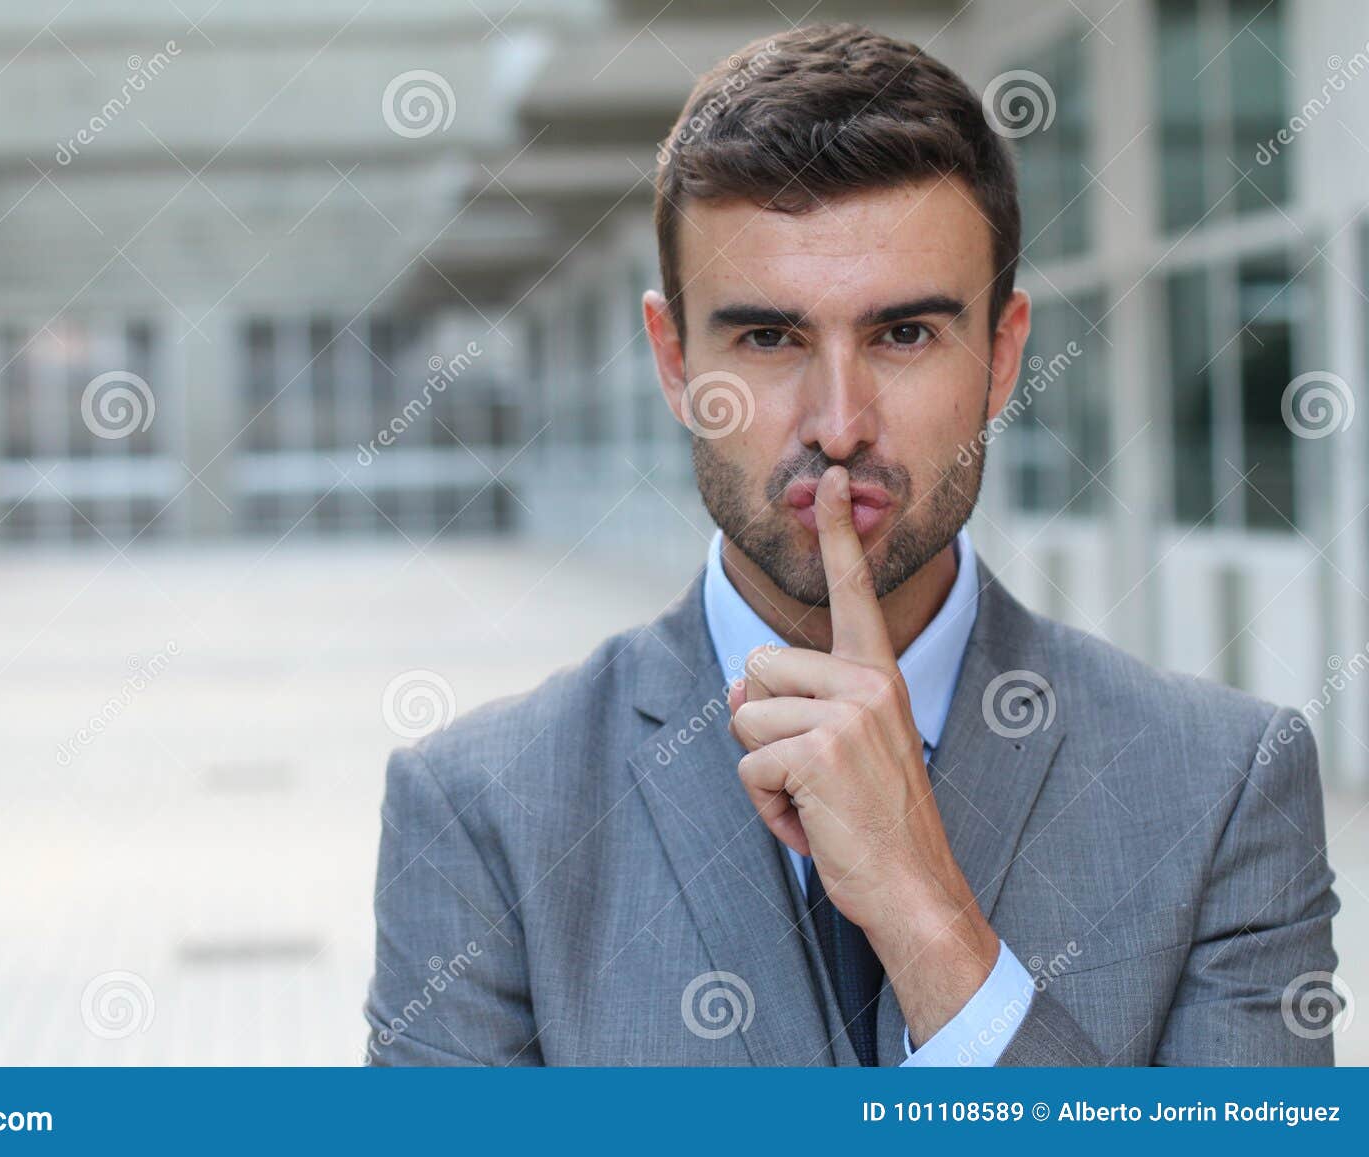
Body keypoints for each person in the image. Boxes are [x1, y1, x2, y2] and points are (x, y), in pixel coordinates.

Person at [366, 22, 1339, 1066]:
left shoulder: (1222, 789)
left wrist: (928, 918)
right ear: (674, 359)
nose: (838, 423)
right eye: (769, 338)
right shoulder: (484, 812)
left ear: (1002, 356)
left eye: (905, 334)